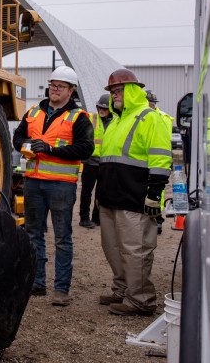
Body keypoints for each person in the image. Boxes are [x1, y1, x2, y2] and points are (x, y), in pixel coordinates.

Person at [13, 66, 94, 307]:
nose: (55, 89)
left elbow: (85, 149)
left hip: (61, 185)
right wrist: (26, 145)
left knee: (62, 238)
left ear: (71, 91)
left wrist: (50, 150)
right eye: (52, 85)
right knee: (33, 235)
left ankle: (61, 289)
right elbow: (17, 138)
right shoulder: (34, 112)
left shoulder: (79, 118)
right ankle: (37, 283)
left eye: (60, 86)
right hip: (34, 183)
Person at [97, 69, 172, 316]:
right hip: (111, 198)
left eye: (118, 90)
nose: (114, 95)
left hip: (135, 198)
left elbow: (160, 159)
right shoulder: (116, 120)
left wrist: (154, 193)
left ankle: (141, 299)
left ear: (132, 91)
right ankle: (122, 290)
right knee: (113, 248)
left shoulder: (150, 118)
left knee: (135, 250)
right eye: (112, 92)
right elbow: (107, 161)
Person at [78, 94, 112, 229]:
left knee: (101, 192)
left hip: (105, 163)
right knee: (86, 192)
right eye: (100, 107)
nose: (102, 110)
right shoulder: (91, 119)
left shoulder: (115, 122)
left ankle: (96, 218)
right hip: (90, 162)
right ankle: (84, 218)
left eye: (105, 108)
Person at [146, 88, 174, 234]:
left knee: (157, 191)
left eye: (152, 103)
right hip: (159, 157)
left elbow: (164, 141)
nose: (151, 105)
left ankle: (157, 219)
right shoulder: (163, 117)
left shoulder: (160, 118)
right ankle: (155, 219)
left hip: (157, 158)